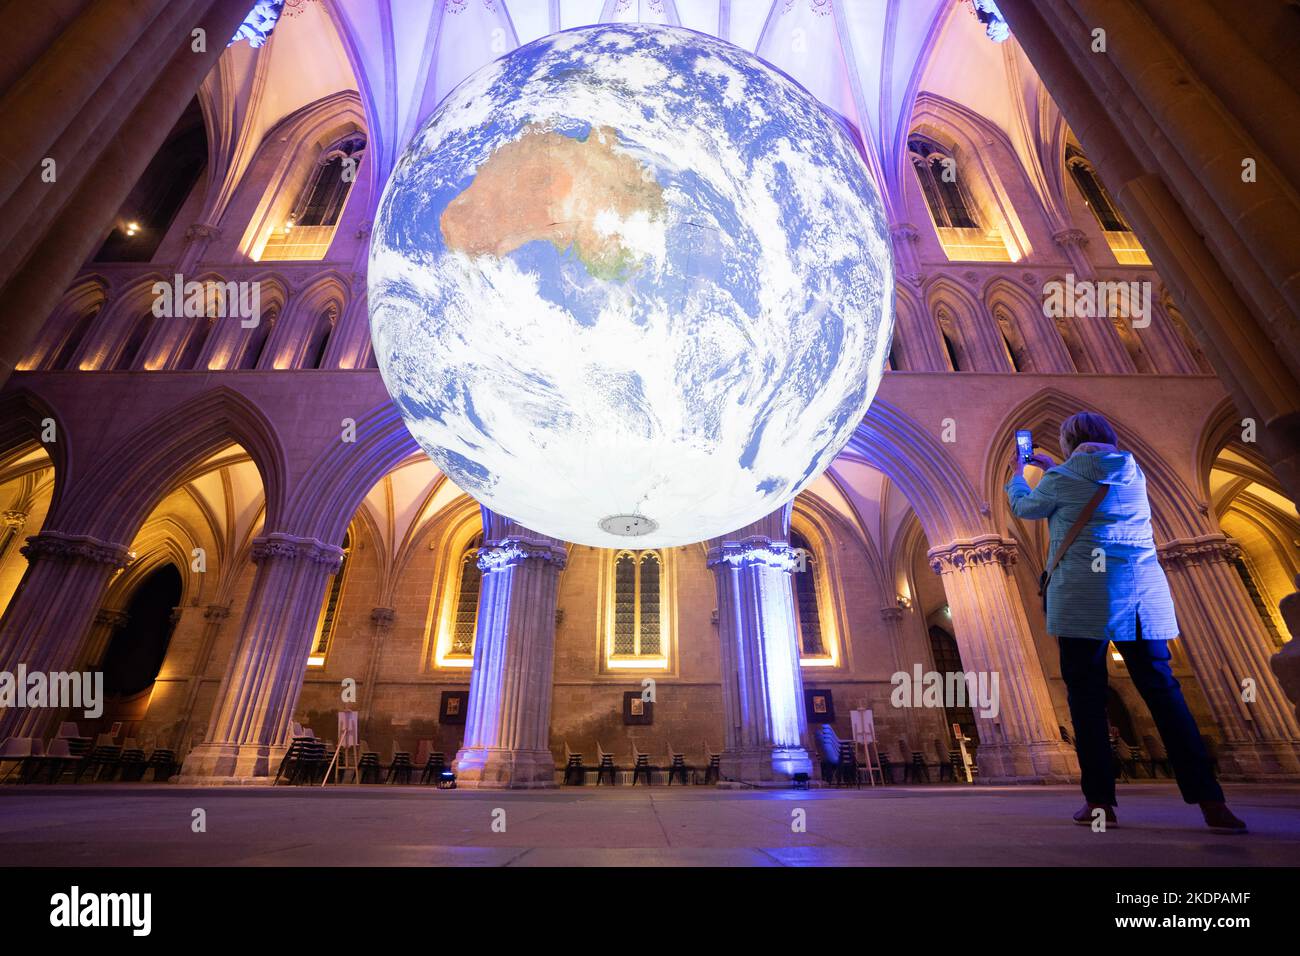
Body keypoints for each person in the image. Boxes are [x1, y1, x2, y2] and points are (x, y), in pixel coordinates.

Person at [1006, 411, 1246, 832]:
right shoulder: (1134, 473)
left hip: (1085, 597)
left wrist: (1018, 473)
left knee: (1086, 699)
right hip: (1141, 596)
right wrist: (1056, 471)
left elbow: (1026, 507)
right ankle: (1212, 802)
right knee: (1165, 693)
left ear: (1068, 444)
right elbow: (1091, 485)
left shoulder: (1062, 479)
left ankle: (1100, 804)